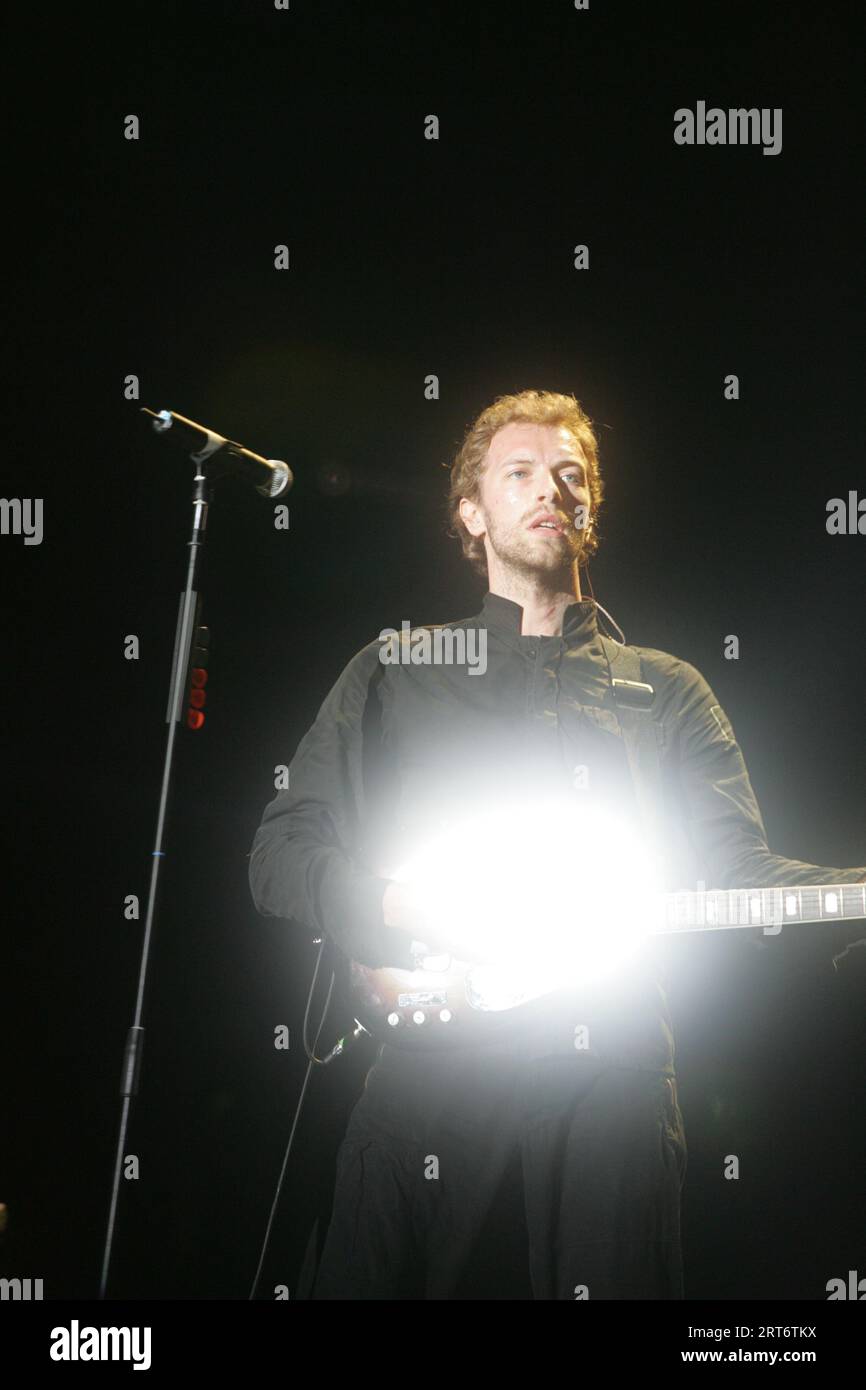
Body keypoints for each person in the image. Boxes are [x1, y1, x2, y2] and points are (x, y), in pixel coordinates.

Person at [248, 389, 866, 1299]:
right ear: (471, 511)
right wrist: (393, 906)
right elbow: (280, 850)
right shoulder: (394, 667)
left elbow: (740, 878)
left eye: (572, 475)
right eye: (522, 472)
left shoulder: (666, 689)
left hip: (609, 1074)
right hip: (430, 1071)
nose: (553, 490)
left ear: (593, 509)